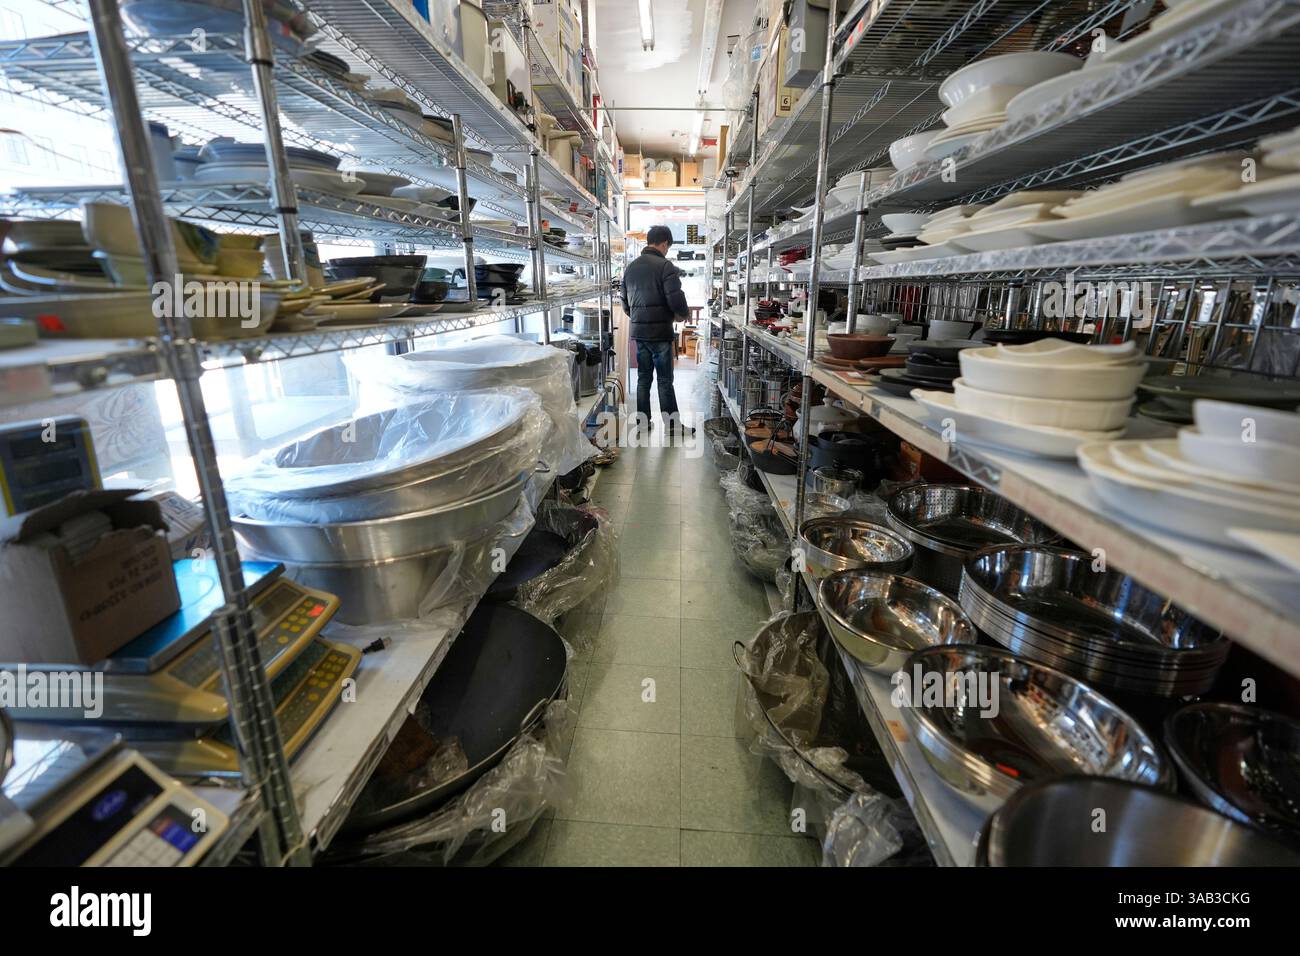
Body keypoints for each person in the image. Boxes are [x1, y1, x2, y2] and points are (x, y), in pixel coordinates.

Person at [621, 225, 694, 436]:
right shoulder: (665, 266)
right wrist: (682, 315)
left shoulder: (631, 268)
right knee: (664, 380)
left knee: (643, 378)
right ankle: (673, 426)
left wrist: (638, 319)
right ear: (664, 244)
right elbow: (676, 299)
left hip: (640, 333)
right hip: (660, 332)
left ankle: (643, 423)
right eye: (668, 246)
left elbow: (625, 303)